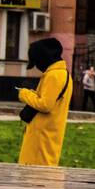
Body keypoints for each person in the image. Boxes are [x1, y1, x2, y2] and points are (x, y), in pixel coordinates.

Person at [17, 37, 72, 166]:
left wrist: (24, 94)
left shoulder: (53, 76)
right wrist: (33, 93)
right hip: (50, 132)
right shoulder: (63, 74)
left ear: (43, 59)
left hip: (41, 136)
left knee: (35, 175)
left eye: (36, 62)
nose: (37, 66)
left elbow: (45, 105)